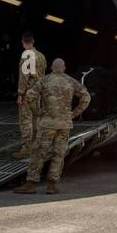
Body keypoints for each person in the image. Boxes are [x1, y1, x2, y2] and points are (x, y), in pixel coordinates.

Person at [13, 58, 89, 195]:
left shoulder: (45, 80)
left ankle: (31, 183)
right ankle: (52, 185)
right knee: (59, 154)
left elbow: (30, 96)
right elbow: (86, 97)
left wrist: (37, 112)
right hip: (64, 124)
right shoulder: (71, 81)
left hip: (47, 123)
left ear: (52, 68)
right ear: (64, 68)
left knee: (39, 153)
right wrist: (74, 113)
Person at [14, 32, 47, 160]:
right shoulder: (41, 56)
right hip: (38, 92)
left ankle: (26, 150)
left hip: (28, 92)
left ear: (23, 42)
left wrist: (20, 94)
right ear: (33, 41)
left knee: (26, 121)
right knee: (36, 120)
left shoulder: (26, 55)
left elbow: (24, 76)